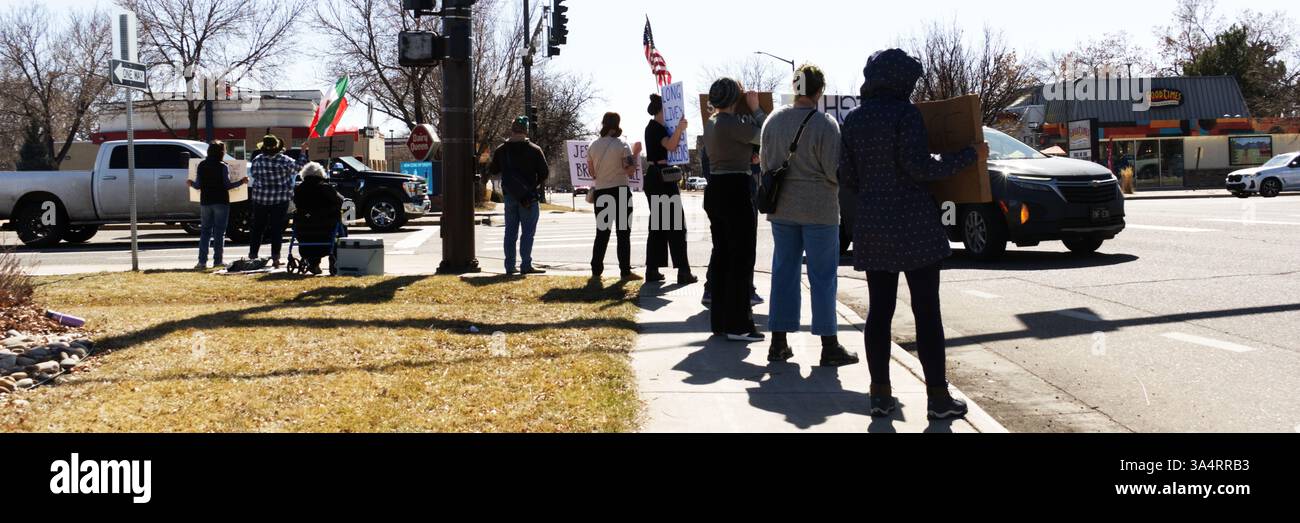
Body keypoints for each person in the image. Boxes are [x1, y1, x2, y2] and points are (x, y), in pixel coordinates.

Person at [839, 49, 986, 420]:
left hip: (873, 224)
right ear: (902, 79)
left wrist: (875, 189)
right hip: (914, 224)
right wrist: (969, 157)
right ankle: (938, 398)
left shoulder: (853, 120)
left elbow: (848, 177)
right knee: (926, 311)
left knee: (879, 312)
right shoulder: (907, 114)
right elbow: (920, 167)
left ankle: (879, 396)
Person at [760, 64, 858, 366]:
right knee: (822, 277)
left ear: (795, 87)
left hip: (783, 209)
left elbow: (765, 165)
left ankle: (778, 342)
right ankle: (829, 344)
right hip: (820, 211)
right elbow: (834, 171)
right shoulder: (826, 124)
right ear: (819, 91)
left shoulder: (773, 121)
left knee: (784, 273)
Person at [703, 78, 766, 342]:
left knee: (722, 255)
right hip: (735, 188)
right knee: (741, 258)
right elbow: (766, 133)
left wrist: (745, 155)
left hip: (716, 187)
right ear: (733, 99)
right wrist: (756, 109)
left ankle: (720, 320)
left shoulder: (712, 123)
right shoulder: (731, 123)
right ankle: (739, 325)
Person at [642, 94, 696, 285]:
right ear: (659, 110)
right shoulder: (656, 128)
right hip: (661, 178)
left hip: (656, 178)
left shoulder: (653, 127)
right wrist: (680, 130)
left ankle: (652, 269)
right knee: (676, 225)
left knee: (658, 225)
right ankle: (683, 271)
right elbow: (671, 146)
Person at [488, 116, 549, 276]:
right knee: (528, 232)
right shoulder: (535, 150)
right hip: (528, 197)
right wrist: (532, 185)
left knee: (510, 232)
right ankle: (526, 264)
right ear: (526, 130)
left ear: (512, 128)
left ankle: (509, 266)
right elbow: (544, 173)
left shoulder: (501, 150)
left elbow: (493, 170)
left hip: (509, 196)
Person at [587, 112, 642, 281]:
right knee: (623, 233)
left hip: (602, 193)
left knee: (602, 233)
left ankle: (596, 270)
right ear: (617, 125)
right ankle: (625, 271)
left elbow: (591, 172)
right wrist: (636, 153)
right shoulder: (622, 145)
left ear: (603, 124)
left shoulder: (592, 145)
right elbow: (630, 170)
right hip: (620, 192)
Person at [186, 140, 247, 270]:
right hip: (221, 201)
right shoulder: (222, 166)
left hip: (205, 201)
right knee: (219, 232)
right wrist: (242, 182)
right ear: (221, 152)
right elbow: (227, 185)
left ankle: (201, 262)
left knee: (205, 232)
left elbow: (198, 185)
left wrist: (190, 183)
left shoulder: (202, 165)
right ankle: (217, 261)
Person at [247, 134, 298, 267]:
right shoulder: (285, 160)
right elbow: (298, 169)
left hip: (260, 198)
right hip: (280, 199)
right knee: (276, 229)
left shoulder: (257, 160)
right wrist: (303, 153)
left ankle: (253, 256)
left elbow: (253, 174)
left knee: (257, 228)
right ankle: (275, 258)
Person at [292, 162, 345, 275]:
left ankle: (313, 264)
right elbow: (341, 201)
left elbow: (296, 204)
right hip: (326, 228)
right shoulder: (325, 187)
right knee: (342, 227)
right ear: (321, 174)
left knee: (312, 229)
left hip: (304, 230)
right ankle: (334, 261)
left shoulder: (298, 189)